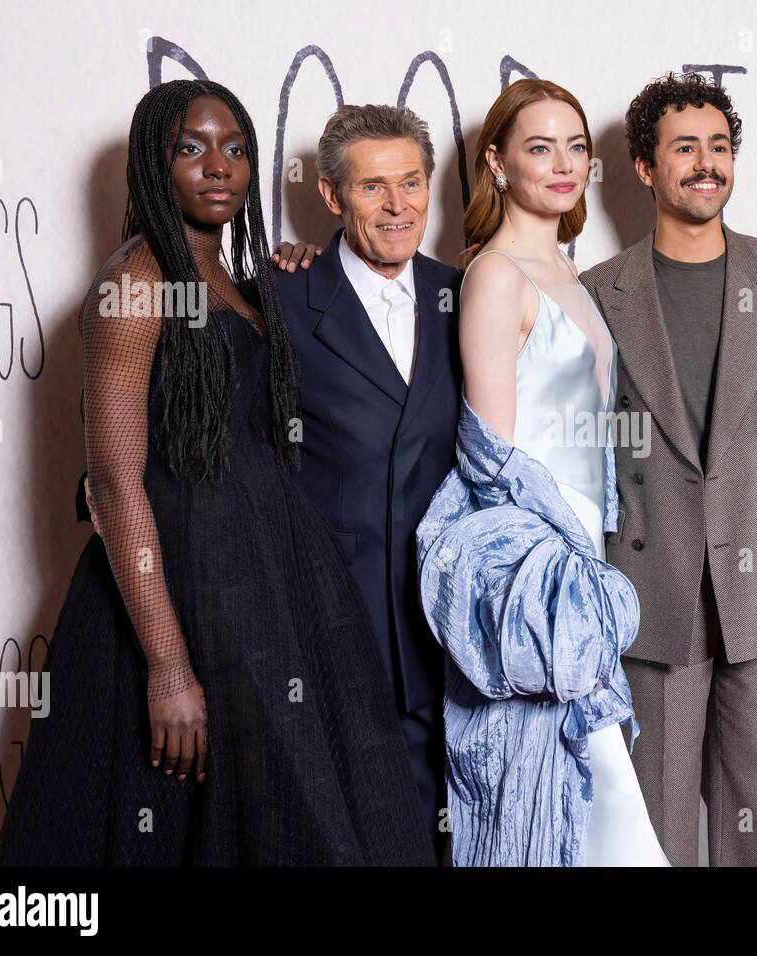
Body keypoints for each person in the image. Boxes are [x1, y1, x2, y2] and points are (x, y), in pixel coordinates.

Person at [0, 80, 432, 866]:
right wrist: (166, 666)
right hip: (188, 591)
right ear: (151, 165)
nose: (218, 165)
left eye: (234, 148)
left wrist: (290, 268)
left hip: (267, 580)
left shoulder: (242, 280)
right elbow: (114, 484)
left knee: (311, 811)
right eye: (189, 147)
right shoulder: (134, 284)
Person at [580, 72, 757, 867]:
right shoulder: (597, 292)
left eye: (720, 148)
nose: (706, 164)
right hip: (647, 588)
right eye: (684, 148)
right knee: (654, 826)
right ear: (645, 168)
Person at [416, 78, 669, 867]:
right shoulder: (496, 275)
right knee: (550, 795)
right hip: (531, 577)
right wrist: (556, 581)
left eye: (575, 146)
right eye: (538, 147)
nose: (563, 165)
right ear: (495, 163)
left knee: (582, 805)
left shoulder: (574, 276)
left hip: (582, 562)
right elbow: (490, 455)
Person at [271, 104, 461, 863]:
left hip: (451, 634)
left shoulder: (466, 294)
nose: (398, 206)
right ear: (330, 196)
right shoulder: (278, 301)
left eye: (412, 183)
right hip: (336, 631)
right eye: (374, 187)